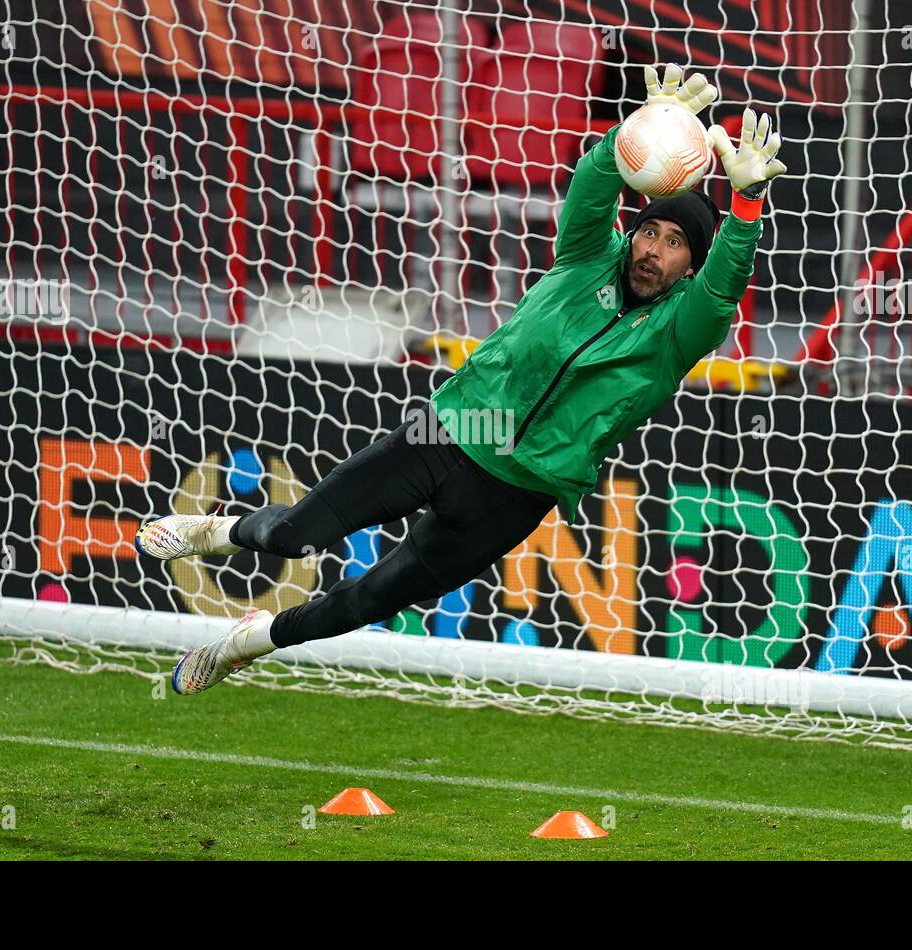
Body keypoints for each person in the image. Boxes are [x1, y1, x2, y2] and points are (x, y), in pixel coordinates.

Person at [134, 64, 787, 695]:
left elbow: (724, 284)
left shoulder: (680, 331)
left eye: (675, 243)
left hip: (519, 489)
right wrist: (639, 131)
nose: (653, 250)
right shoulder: (587, 254)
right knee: (293, 535)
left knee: (371, 598)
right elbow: (594, 183)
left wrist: (746, 203)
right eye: (650, 231)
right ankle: (216, 532)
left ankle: (248, 642)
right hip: (452, 426)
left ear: (689, 265)